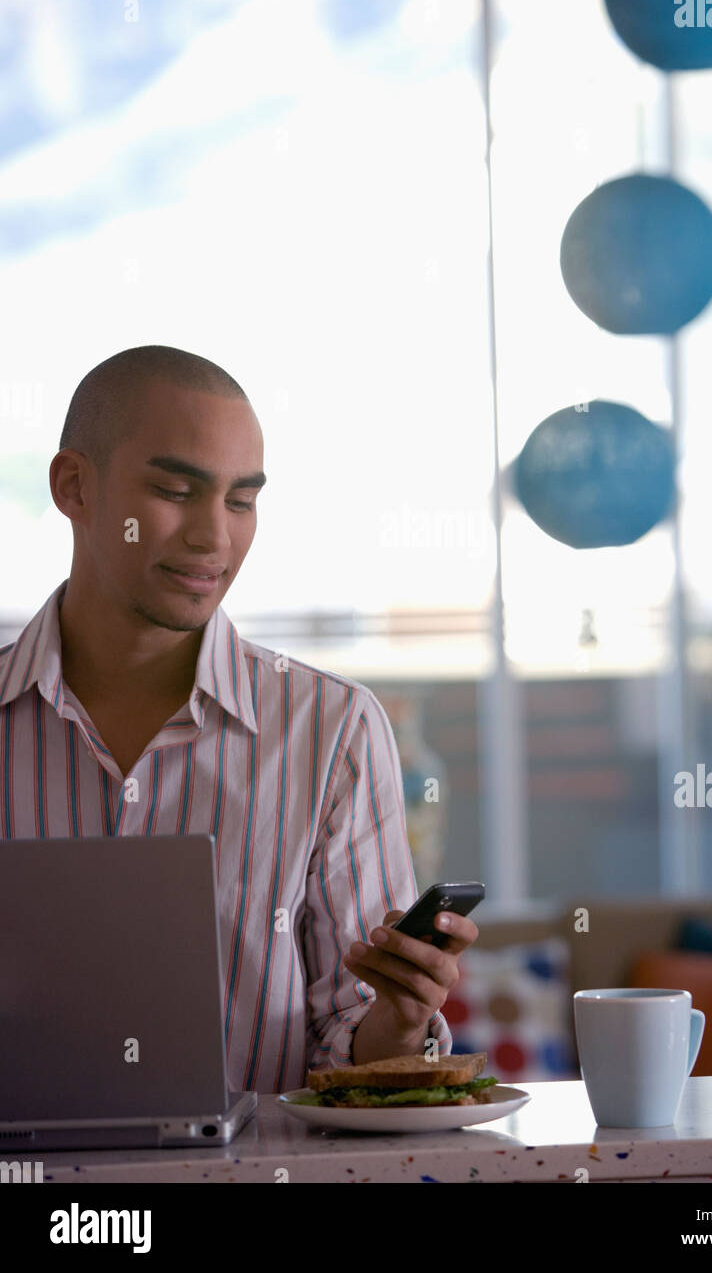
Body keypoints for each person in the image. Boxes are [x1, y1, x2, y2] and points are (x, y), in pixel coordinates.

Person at [0, 344, 478, 1094]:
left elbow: (356, 1051)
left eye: (240, 500)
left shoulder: (334, 732)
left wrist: (404, 1019)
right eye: (174, 490)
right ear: (73, 487)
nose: (213, 538)